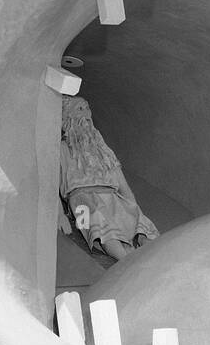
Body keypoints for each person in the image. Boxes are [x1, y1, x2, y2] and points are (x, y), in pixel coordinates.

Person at [59, 95, 159, 261]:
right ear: (67, 117)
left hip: (111, 195)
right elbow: (51, 185)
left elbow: (120, 181)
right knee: (97, 218)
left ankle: (154, 254)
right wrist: (59, 214)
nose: (87, 114)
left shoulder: (101, 149)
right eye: (80, 109)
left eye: (87, 108)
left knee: (135, 217)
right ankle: (126, 261)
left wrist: (134, 207)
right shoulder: (62, 148)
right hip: (82, 197)